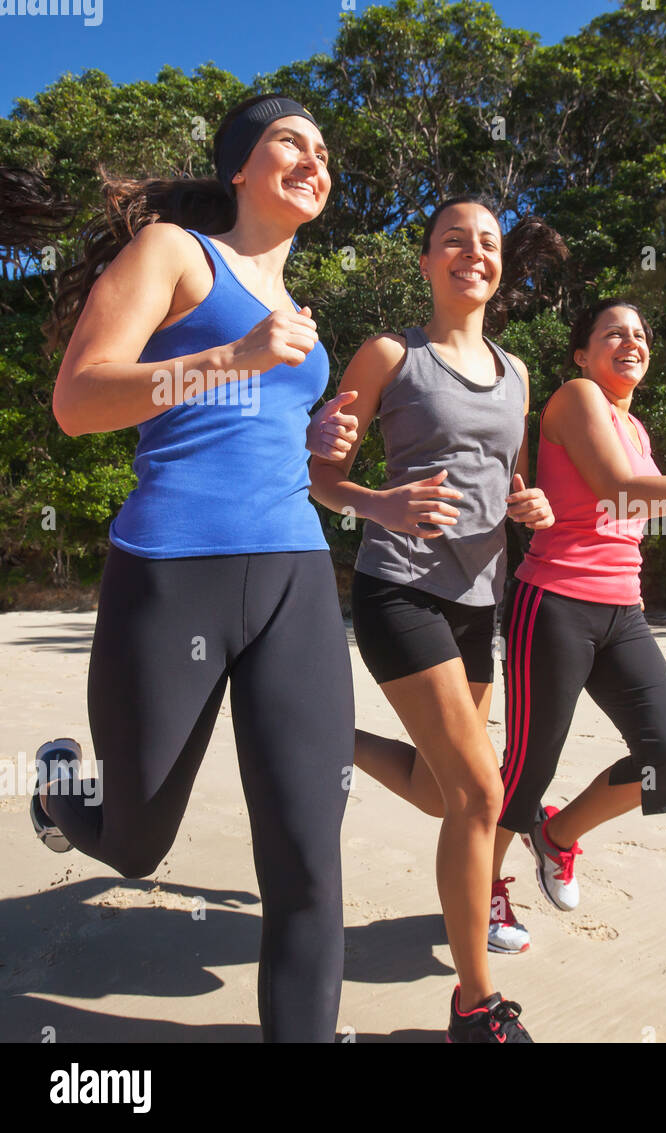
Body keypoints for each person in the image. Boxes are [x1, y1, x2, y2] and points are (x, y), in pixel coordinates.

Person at [26, 94, 356, 1042]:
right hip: (172, 571)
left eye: (324, 149)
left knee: (306, 858)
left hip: (294, 572)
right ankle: (59, 790)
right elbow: (79, 399)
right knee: (134, 845)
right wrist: (236, 355)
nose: (314, 158)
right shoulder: (176, 252)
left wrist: (317, 436)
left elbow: (268, 438)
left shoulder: (301, 311)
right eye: (292, 140)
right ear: (241, 166)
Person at [307, 196, 565, 1042]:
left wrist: (529, 504)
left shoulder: (518, 370)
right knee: (480, 791)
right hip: (400, 589)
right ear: (425, 262)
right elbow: (321, 474)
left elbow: (511, 479)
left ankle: (316, 733)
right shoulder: (390, 354)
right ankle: (475, 1005)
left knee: (435, 790)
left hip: (479, 600)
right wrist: (379, 501)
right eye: (453, 240)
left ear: (501, 266)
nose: (472, 254)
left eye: (487, 243)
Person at [492, 298, 666, 920]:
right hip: (554, 603)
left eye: (641, 334)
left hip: (623, 611)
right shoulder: (575, 397)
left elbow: (646, 504)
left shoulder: (636, 427)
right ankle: (485, 888)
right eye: (613, 333)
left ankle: (554, 837)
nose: (632, 342)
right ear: (582, 353)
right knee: (527, 768)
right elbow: (619, 491)